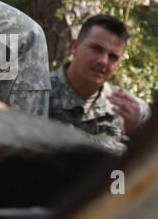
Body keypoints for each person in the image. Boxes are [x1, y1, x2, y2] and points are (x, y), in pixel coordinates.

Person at [47, 14, 151, 153]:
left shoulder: (133, 112)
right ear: (74, 47)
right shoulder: (36, 92)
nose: (103, 61)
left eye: (113, 57)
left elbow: (155, 164)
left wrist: (136, 133)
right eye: (96, 49)